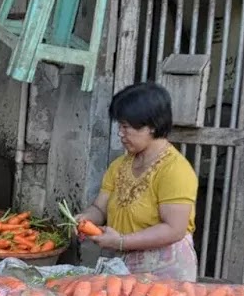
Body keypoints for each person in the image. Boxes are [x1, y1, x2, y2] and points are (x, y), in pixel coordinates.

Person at [74, 82, 200, 279]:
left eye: (126, 127)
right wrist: (85, 218)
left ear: (151, 126)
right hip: (124, 265)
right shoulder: (119, 166)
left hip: (164, 271)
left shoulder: (175, 170)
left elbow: (174, 229)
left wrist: (122, 242)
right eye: (120, 126)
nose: (120, 134)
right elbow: (100, 208)